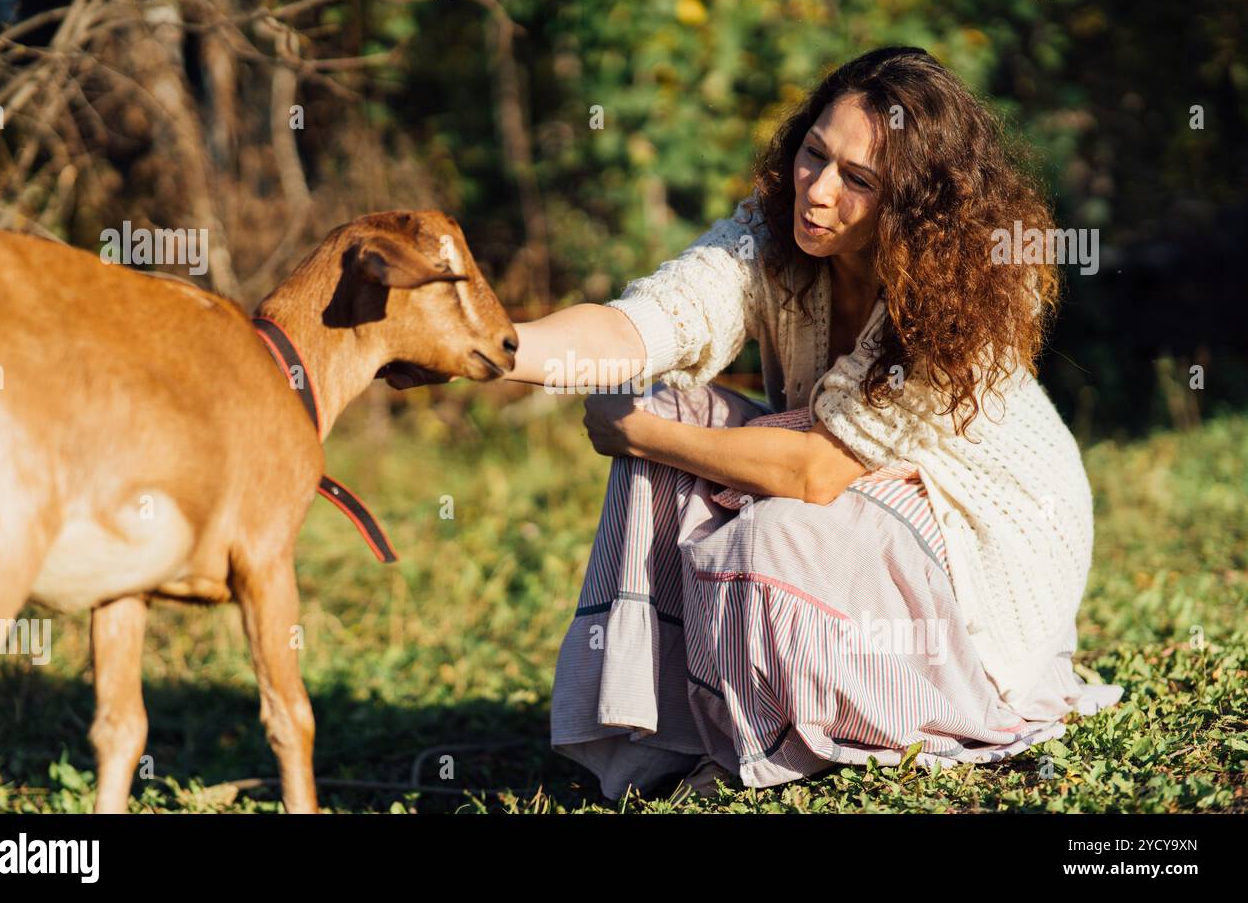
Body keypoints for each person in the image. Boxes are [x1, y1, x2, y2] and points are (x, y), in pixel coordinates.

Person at [389, 46, 1123, 800]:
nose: (818, 190)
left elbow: (815, 473)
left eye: (858, 181)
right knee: (663, 400)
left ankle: (816, 733)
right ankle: (667, 726)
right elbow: (639, 327)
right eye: (814, 154)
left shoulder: (962, 296)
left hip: (981, 526)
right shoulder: (768, 241)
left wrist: (637, 434)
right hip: (858, 482)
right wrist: (488, 347)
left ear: (913, 205)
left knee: (767, 533)